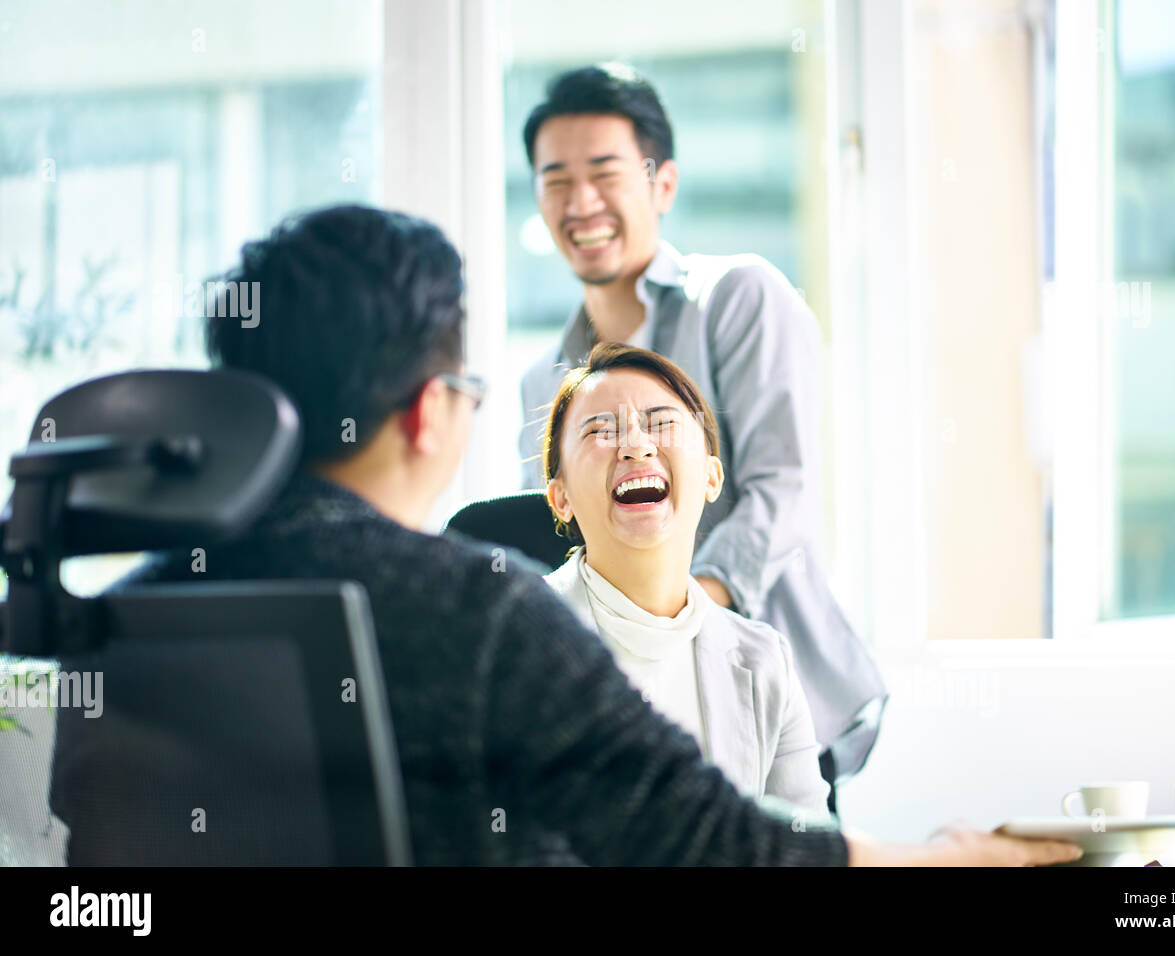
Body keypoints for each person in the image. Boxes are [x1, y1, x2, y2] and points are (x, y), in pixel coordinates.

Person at [57, 204, 1078, 866]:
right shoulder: (478, 609)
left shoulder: (128, 610)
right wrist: (958, 857)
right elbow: (713, 848)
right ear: (428, 412)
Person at [517, 64, 886, 796]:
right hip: (617, 719)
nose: (580, 201)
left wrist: (679, 625)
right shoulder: (544, 380)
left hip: (776, 705)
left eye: (604, 172)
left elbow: (783, 492)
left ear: (662, 186)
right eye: (555, 179)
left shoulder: (738, 297)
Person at [542, 343, 827, 814]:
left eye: (662, 423)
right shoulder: (510, 643)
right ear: (560, 497)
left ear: (713, 477)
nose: (636, 445)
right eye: (600, 430)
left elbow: (809, 844)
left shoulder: (765, 664)